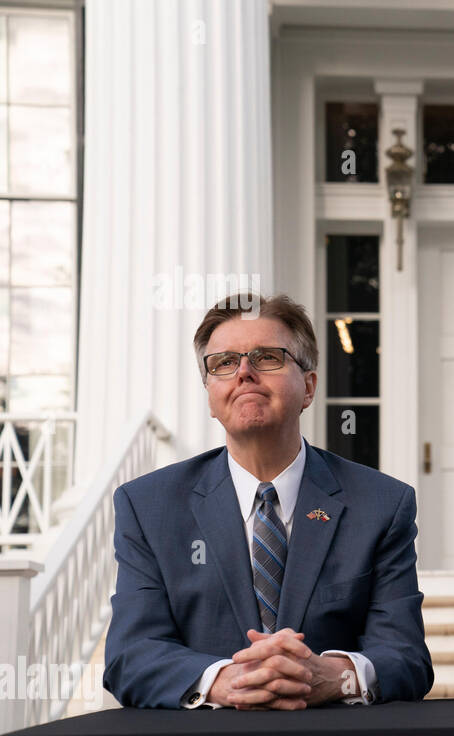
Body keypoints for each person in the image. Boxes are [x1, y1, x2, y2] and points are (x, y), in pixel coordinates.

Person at [104, 293, 433, 709]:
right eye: (224, 363)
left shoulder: (382, 505)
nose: (244, 372)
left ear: (309, 387)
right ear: (210, 395)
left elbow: (406, 658)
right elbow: (131, 656)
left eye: (267, 358)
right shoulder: (147, 506)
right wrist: (225, 680)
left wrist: (332, 677)